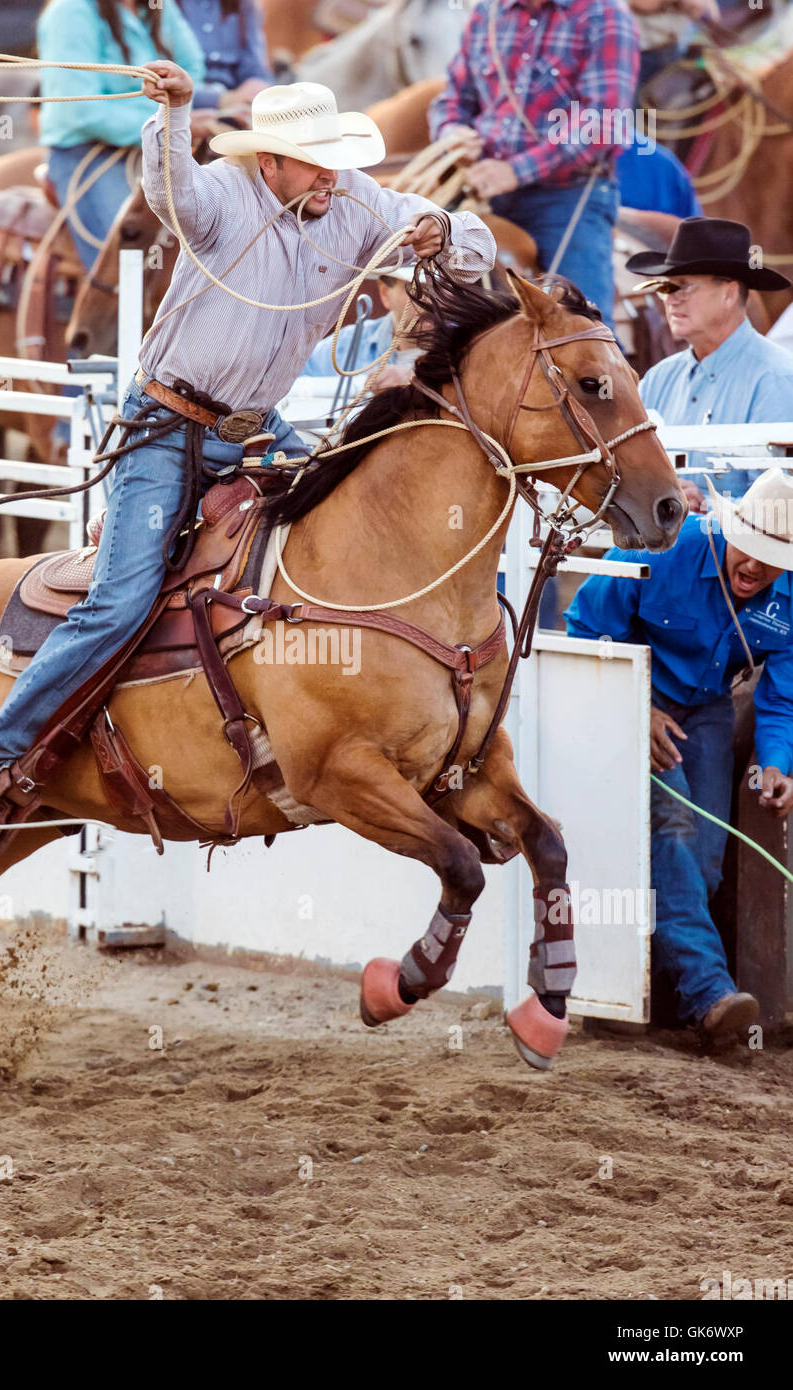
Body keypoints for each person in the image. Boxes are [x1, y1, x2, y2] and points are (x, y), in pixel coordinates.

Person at [0, 71, 497, 887]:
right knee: (122, 597)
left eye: (333, 159)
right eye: (312, 162)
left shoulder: (353, 206)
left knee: (348, 522)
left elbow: (470, 239)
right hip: (167, 429)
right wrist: (174, 112)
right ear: (268, 162)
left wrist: (441, 231)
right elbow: (168, 189)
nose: (330, 175)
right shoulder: (223, 198)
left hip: (254, 430)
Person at [565, 469, 793, 1036]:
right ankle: (709, 994)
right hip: (636, 692)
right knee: (673, 830)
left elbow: (781, 698)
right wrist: (632, 704)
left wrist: (776, 764)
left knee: (707, 860)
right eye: (751, 550)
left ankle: (656, 999)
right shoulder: (668, 549)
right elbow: (584, 625)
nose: (756, 568)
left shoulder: (787, 603)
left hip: (709, 711)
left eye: (773, 559)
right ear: (729, 531)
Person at [428, 0, 640, 330]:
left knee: (580, 324)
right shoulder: (488, 12)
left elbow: (603, 120)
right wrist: (452, 133)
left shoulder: (603, 14)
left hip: (566, 196)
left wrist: (515, 171)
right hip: (480, 190)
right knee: (418, 295)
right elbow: (453, 97)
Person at [627, 217, 793, 508]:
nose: (670, 300)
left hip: (735, 548)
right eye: (666, 288)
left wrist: (708, 504)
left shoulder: (777, 377)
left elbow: (782, 502)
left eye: (683, 287)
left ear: (729, 294)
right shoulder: (657, 379)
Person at [38, 0, 208, 271]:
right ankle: (121, 311)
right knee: (128, 267)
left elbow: (192, 71)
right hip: (89, 153)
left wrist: (178, 109)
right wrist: (167, 119)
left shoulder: (160, 7)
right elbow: (80, 110)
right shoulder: (71, 10)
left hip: (155, 148)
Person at [300, 263, 425, 396]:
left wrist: (416, 382)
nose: (430, 300)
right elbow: (283, 382)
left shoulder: (450, 352)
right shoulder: (348, 344)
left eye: (440, 288)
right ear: (385, 293)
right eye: (417, 289)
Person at [178, 0, 273, 117]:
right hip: (189, 109)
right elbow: (164, 80)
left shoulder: (244, 5)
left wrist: (252, 92)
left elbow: (257, 71)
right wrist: (221, 99)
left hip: (237, 104)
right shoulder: (164, 6)